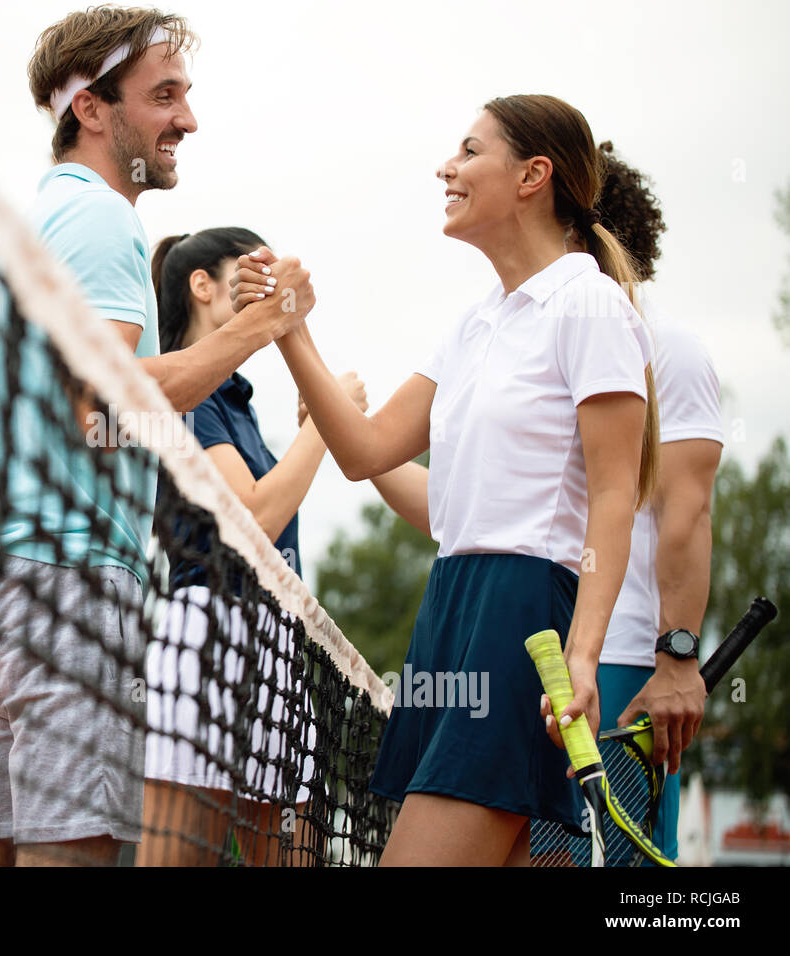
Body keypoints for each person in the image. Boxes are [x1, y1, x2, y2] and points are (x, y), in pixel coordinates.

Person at [232, 94, 659, 865]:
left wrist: (586, 656)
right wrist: (288, 328)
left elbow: (615, 497)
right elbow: (364, 450)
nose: (445, 168)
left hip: (522, 616)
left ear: (534, 175)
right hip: (451, 605)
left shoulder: (590, 304)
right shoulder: (473, 322)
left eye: (468, 151)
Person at [0, 8, 315, 867]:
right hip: (69, 585)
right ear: (92, 108)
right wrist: (264, 323)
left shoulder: (38, 222)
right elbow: (104, 414)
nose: (187, 119)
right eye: (165, 96)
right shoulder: (106, 222)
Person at [366, 143, 723, 863]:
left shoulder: (664, 347)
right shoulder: (504, 328)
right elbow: (458, 511)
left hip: (618, 665)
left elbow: (683, 517)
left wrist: (678, 659)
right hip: (535, 650)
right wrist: (365, 454)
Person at [136, 226, 368, 866]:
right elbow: (254, 521)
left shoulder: (238, 401)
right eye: (248, 265)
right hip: (207, 631)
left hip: (276, 639)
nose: (267, 277)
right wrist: (323, 427)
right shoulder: (188, 390)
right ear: (203, 284)